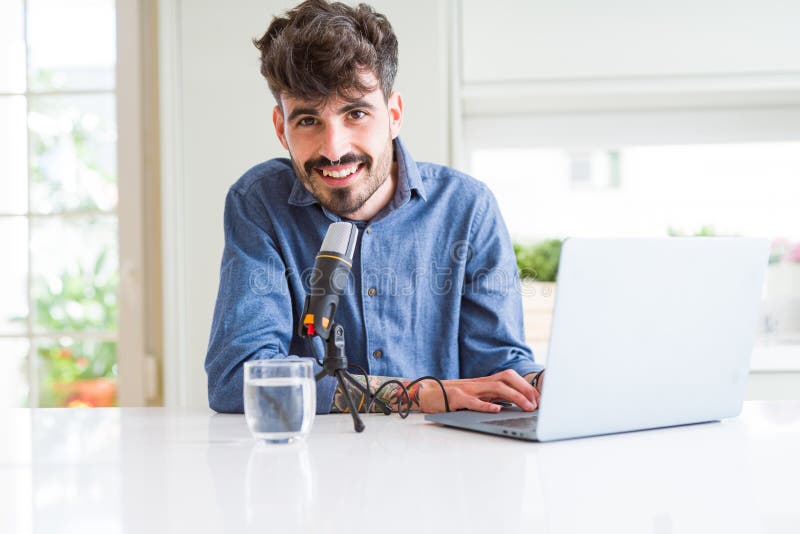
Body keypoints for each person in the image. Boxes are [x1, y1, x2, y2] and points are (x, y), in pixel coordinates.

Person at [205, 0, 544, 415]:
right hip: (309, 472)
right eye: (308, 121)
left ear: (394, 114)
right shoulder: (259, 203)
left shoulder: (468, 208)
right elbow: (238, 378)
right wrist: (417, 395)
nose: (334, 149)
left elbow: (498, 366)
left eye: (356, 113)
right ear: (281, 128)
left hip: (445, 469)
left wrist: (542, 382)